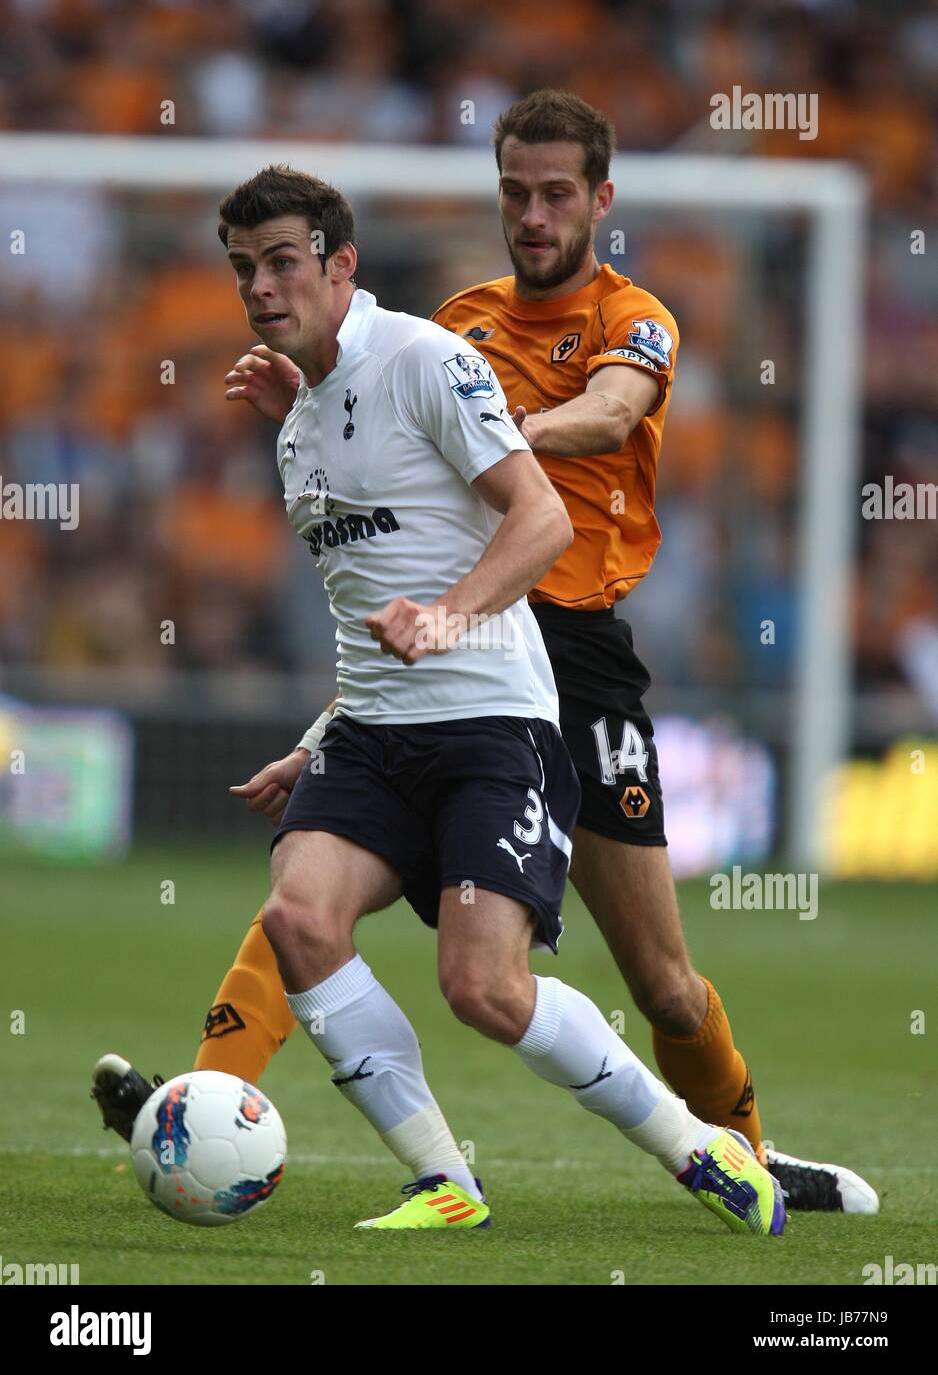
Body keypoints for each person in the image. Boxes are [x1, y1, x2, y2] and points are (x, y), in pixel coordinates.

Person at [92, 163, 785, 1236]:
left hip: (491, 728)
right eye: (243, 270)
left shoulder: (424, 355)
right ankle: (439, 1178)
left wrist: (450, 617)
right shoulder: (294, 427)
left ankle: (697, 1144)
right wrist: (315, 738)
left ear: (340, 264)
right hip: (372, 734)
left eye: (282, 262)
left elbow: (541, 520)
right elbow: (366, 604)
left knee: (486, 989)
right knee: (297, 913)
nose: (261, 288)